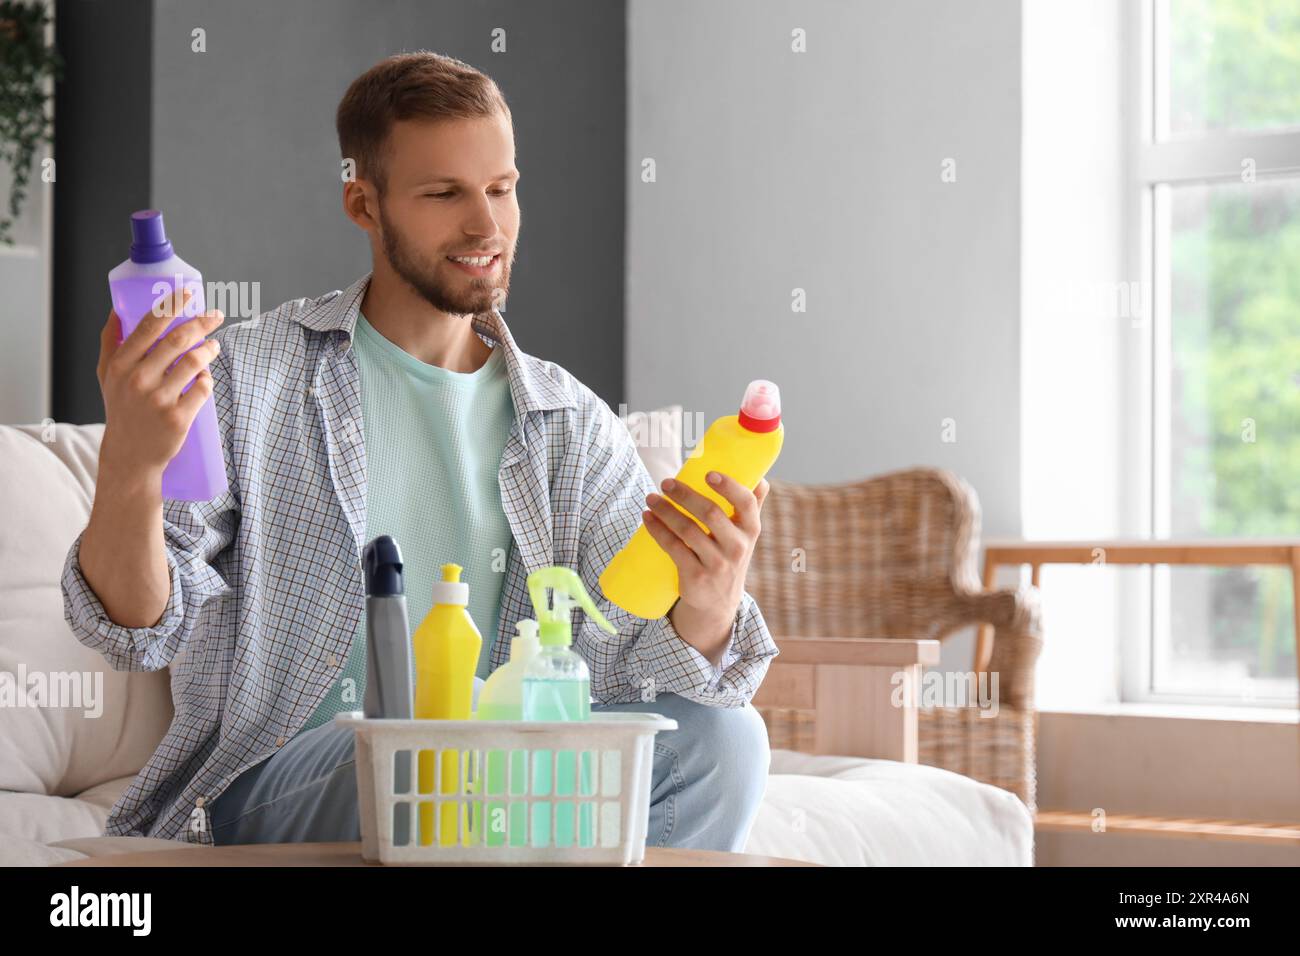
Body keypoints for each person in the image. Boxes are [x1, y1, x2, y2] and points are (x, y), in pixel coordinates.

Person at [63, 51, 778, 854]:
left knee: (724, 742)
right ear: (363, 204)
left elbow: (622, 667)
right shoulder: (248, 375)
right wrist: (131, 461)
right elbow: (134, 633)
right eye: (445, 194)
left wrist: (710, 603)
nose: (487, 226)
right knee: (417, 754)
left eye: (502, 189)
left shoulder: (568, 421)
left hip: (491, 773)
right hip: (285, 779)